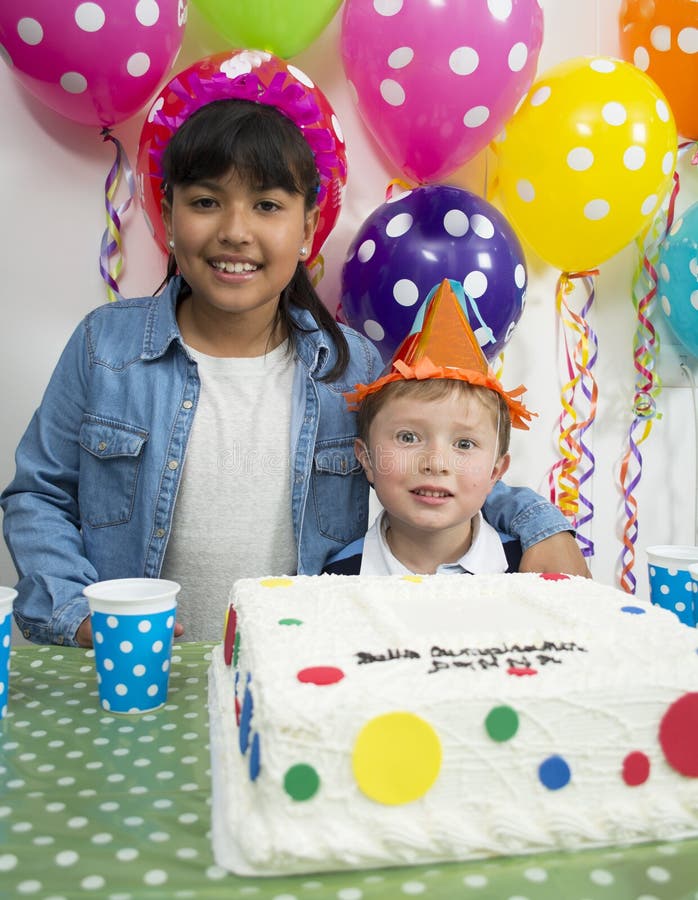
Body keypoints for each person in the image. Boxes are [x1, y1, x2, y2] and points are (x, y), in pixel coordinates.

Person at [1, 98, 585, 648]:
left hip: (300, 666)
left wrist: (540, 526)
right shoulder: (106, 346)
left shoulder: (349, 364)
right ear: (169, 217)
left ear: (307, 230)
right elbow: (39, 493)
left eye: (267, 205)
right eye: (206, 201)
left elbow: (438, 456)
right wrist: (76, 612)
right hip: (141, 667)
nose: (235, 230)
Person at [324, 279, 589, 577]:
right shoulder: (336, 577)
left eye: (464, 444)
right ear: (367, 460)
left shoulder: (529, 569)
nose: (436, 463)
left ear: (495, 472)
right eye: (408, 437)